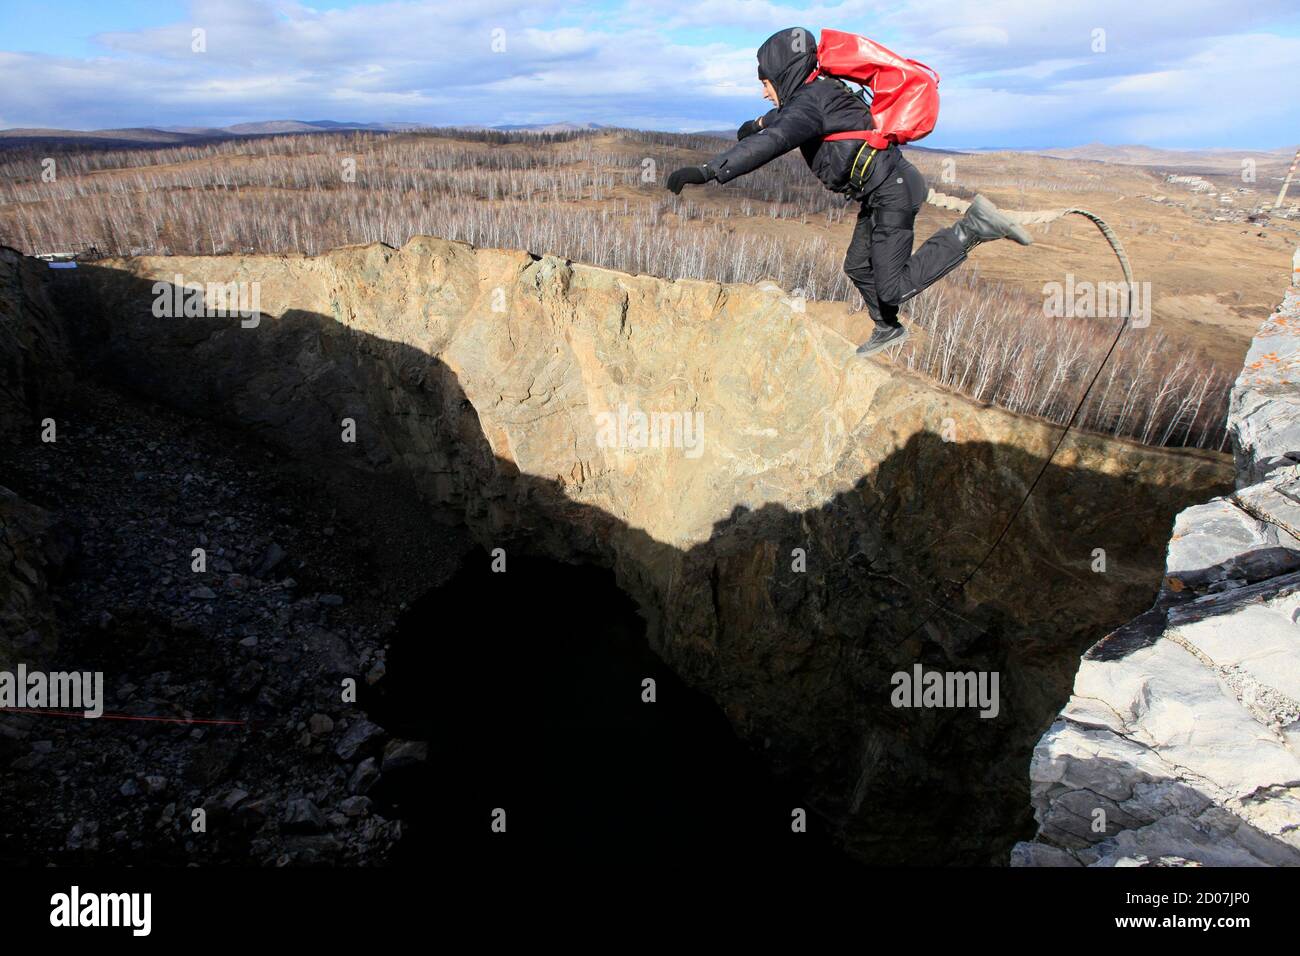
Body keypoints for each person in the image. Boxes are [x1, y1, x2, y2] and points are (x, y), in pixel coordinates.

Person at [666, 26, 1032, 356]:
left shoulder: (811, 103)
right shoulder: (815, 94)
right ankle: (888, 328)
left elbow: (777, 138)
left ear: (782, 75)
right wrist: (755, 124)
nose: (763, 93)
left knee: (891, 289)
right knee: (857, 265)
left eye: (765, 83)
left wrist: (708, 171)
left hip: (894, 194)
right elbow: (780, 120)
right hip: (880, 194)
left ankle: (970, 229)